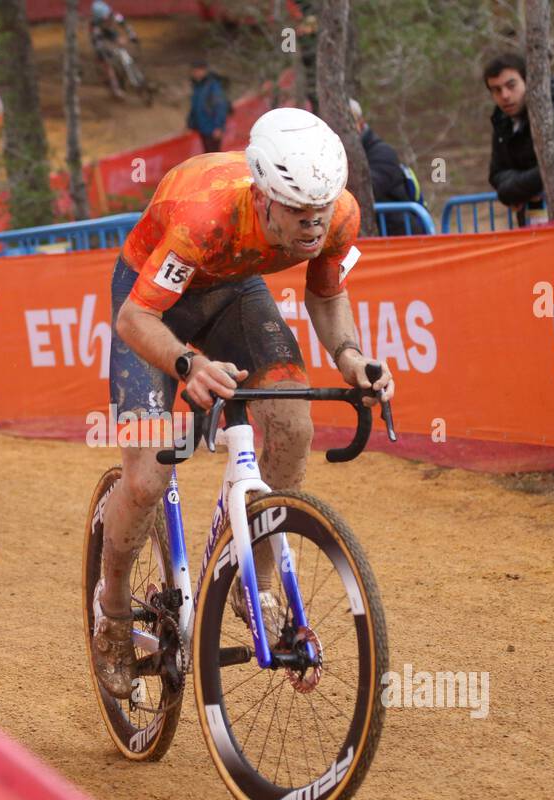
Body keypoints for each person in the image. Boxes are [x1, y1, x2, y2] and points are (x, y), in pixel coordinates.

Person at [90, 108, 394, 698]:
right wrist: (187, 364)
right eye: (299, 213)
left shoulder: (338, 214)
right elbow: (135, 318)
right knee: (148, 478)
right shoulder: (205, 216)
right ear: (263, 198)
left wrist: (353, 359)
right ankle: (114, 613)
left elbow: (328, 296)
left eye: (321, 212)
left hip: (234, 290)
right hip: (151, 300)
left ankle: (246, 568)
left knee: (293, 425)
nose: (313, 227)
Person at [484, 52, 554, 225]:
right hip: (533, 223)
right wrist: (520, 188)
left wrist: (510, 191)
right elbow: (496, 174)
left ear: (528, 81)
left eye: (511, 85)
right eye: (496, 90)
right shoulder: (503, 122)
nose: (505, 95)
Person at [349, 99, 428, 236]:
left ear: (361, 124)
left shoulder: (383, 153)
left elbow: (365, 192)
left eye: (350, 123)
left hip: (401, 237)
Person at [89, 0, 138, 99]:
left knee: (121, 45)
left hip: (110, 32)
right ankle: (115, 89)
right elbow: (98, 45)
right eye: (104, 18)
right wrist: (107, 51)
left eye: (108, 16)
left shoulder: (115, 16)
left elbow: (125, 25)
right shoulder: (95, 27)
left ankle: (128, 68)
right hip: (100, 39)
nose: (108, 19)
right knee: (107, 64)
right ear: (99, 19)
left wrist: (132, 35)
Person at [187, 59, 230, 153]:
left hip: (212, 128)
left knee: (214, 155)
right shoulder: (198, 85)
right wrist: (190, 122)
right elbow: (195, 106)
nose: (195, 73)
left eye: (197, 70)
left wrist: (218, 126)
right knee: (207, 155)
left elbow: (221, 106)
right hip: (203, 128)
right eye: (194, 71)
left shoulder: (213, 85)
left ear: (204, 70)